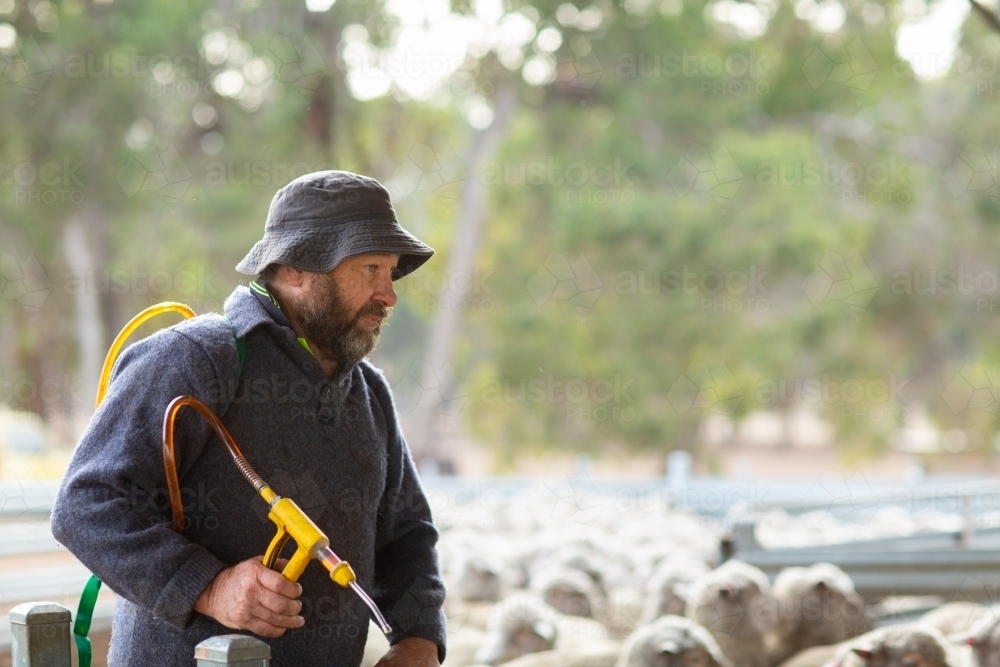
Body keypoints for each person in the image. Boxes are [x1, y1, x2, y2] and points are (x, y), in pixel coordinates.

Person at [51, 171, 447, 667]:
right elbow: (87, 504)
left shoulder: (369, 392)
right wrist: (210, 587)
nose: (388, 294)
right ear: (296, 269)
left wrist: (418, 640)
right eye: (370, 268)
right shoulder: (197, 358)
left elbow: (407, 535)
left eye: (390, 272)